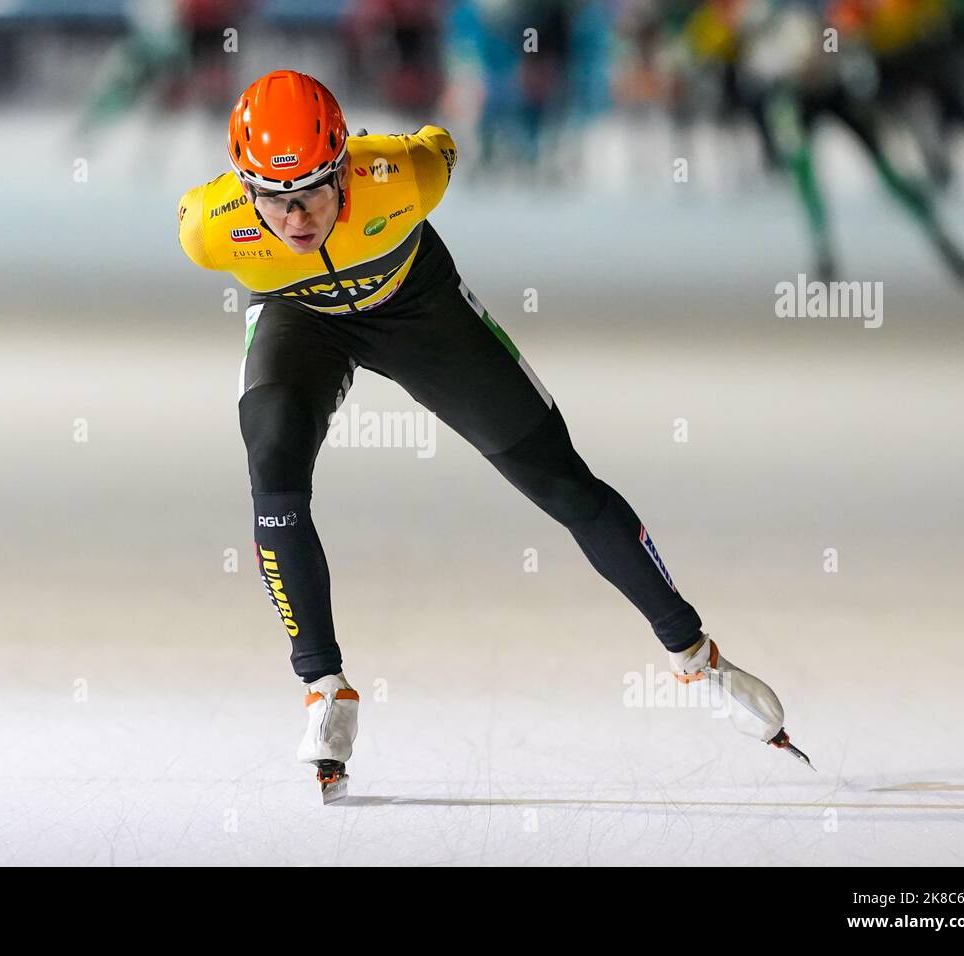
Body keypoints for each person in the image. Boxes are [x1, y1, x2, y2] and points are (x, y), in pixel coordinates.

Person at [177, 69, 810, 801]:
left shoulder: (405, 175)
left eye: (316, 191)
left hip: (417, 309)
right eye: (274, 201)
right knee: (273, 458)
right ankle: (322, 686)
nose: (295, 219)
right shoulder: (208, 225)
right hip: (301, 319)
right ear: (242, 189)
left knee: (560, 479)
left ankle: (697, 656)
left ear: (345, 166)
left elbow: (444, 141)